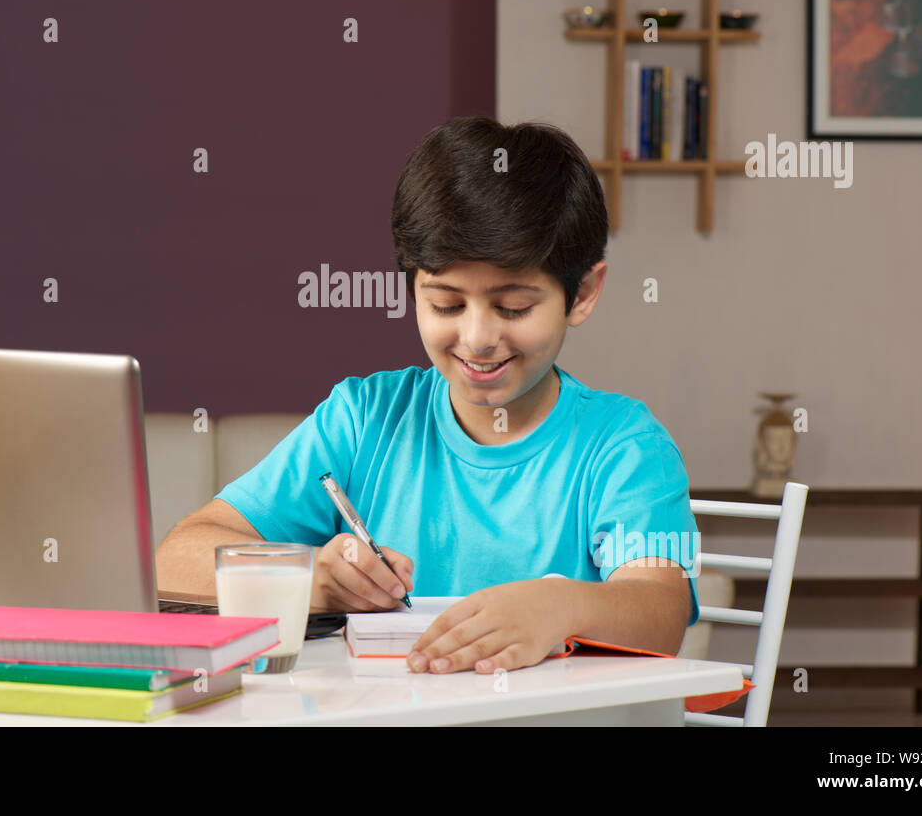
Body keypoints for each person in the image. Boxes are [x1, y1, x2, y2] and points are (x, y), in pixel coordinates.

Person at [156, 116, 700, 675]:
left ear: (581, 293)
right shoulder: (365, 419)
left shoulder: (623, 444)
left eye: (513, 307)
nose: (477, 338)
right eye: (445, 304)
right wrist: (313, 578)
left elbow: (661, 610)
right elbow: (174, 559)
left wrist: (562, 607)